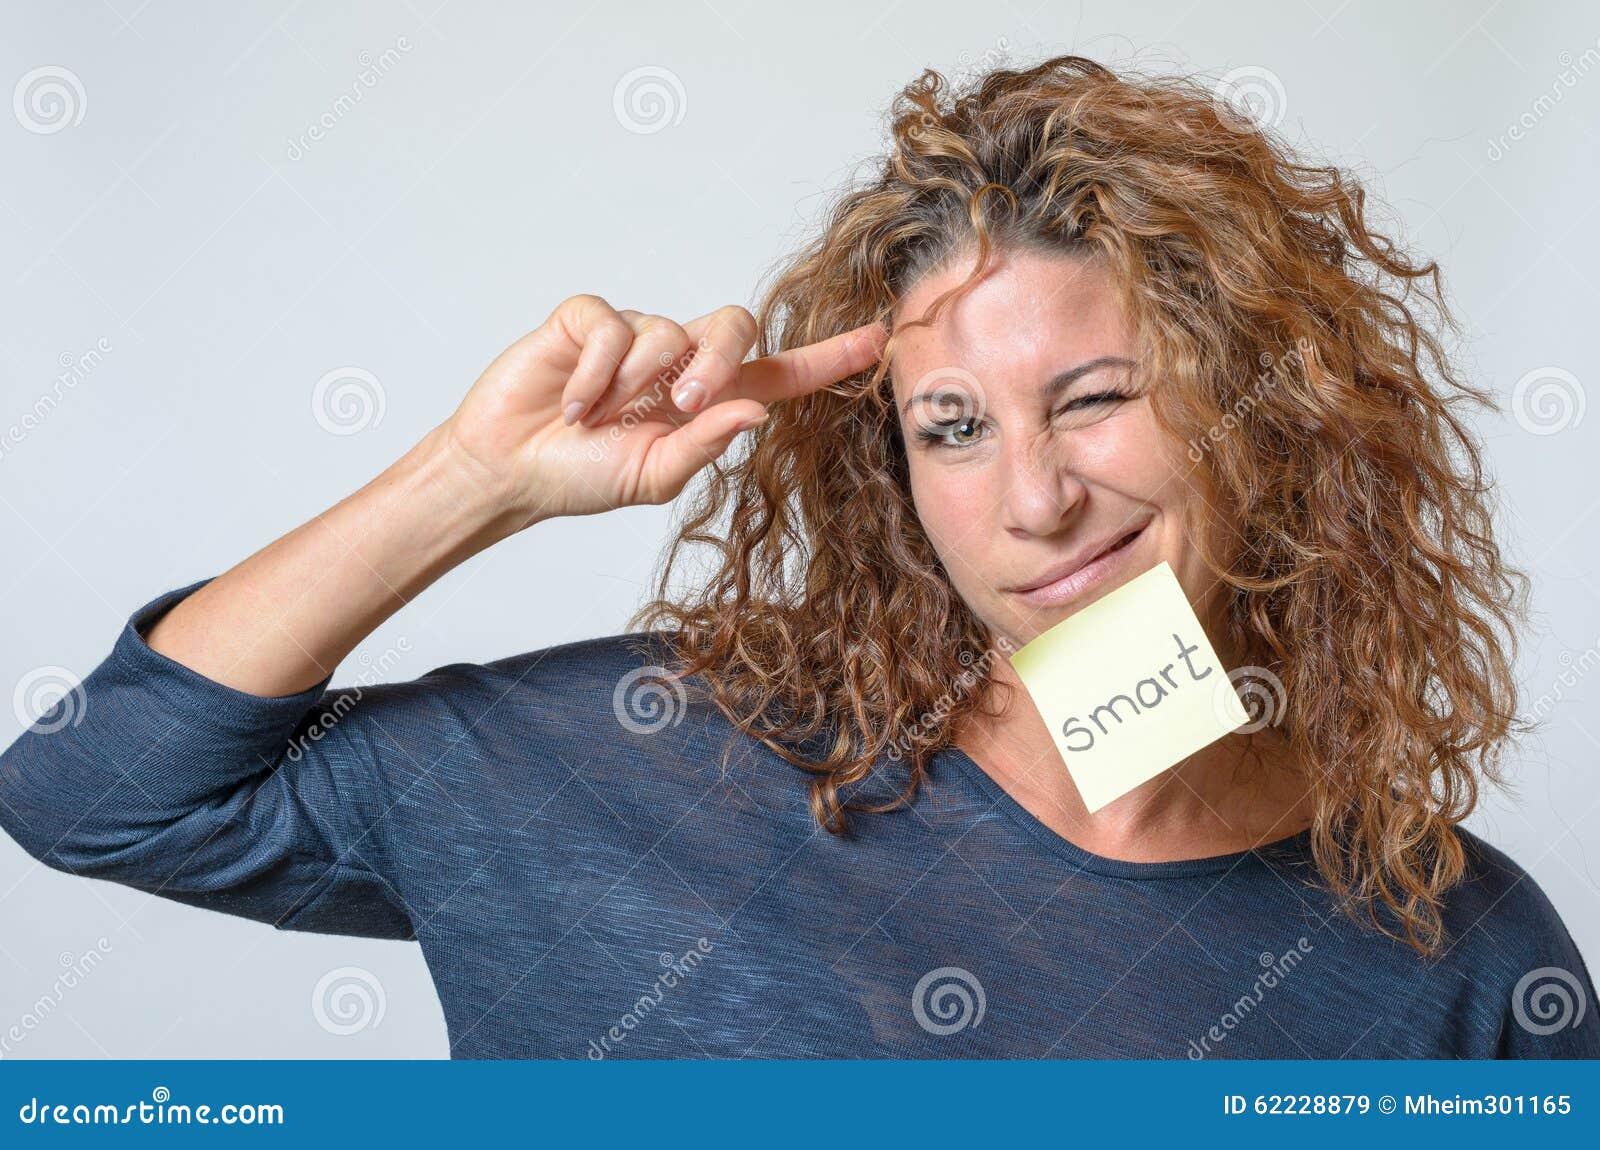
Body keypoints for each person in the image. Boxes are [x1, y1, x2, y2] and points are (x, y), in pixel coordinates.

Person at [2, 54, 1595, 1060]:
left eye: (1095, 400)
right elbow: (93, 791)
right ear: (895, 471)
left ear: (1260, 418)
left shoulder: (1449, 960)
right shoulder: (632, 763)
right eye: (953, 426)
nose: (1032, 497)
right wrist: (473, 483)